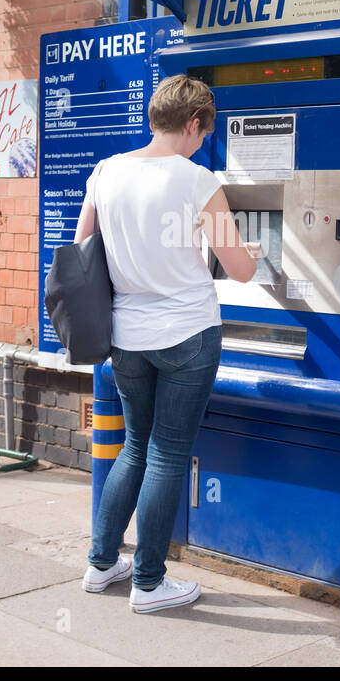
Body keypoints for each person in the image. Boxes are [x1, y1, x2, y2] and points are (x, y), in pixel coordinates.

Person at [76, 74, 261, 613]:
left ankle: (101, 564)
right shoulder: (197, 180)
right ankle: (150, 583)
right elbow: (241, 270)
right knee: (168, 453)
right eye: (204, 133)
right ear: (194, 123)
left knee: (135, 447)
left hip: (127, 337)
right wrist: (246, 250)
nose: (202, 143)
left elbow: (83, 248)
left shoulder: (106, 171)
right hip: (187, 334)